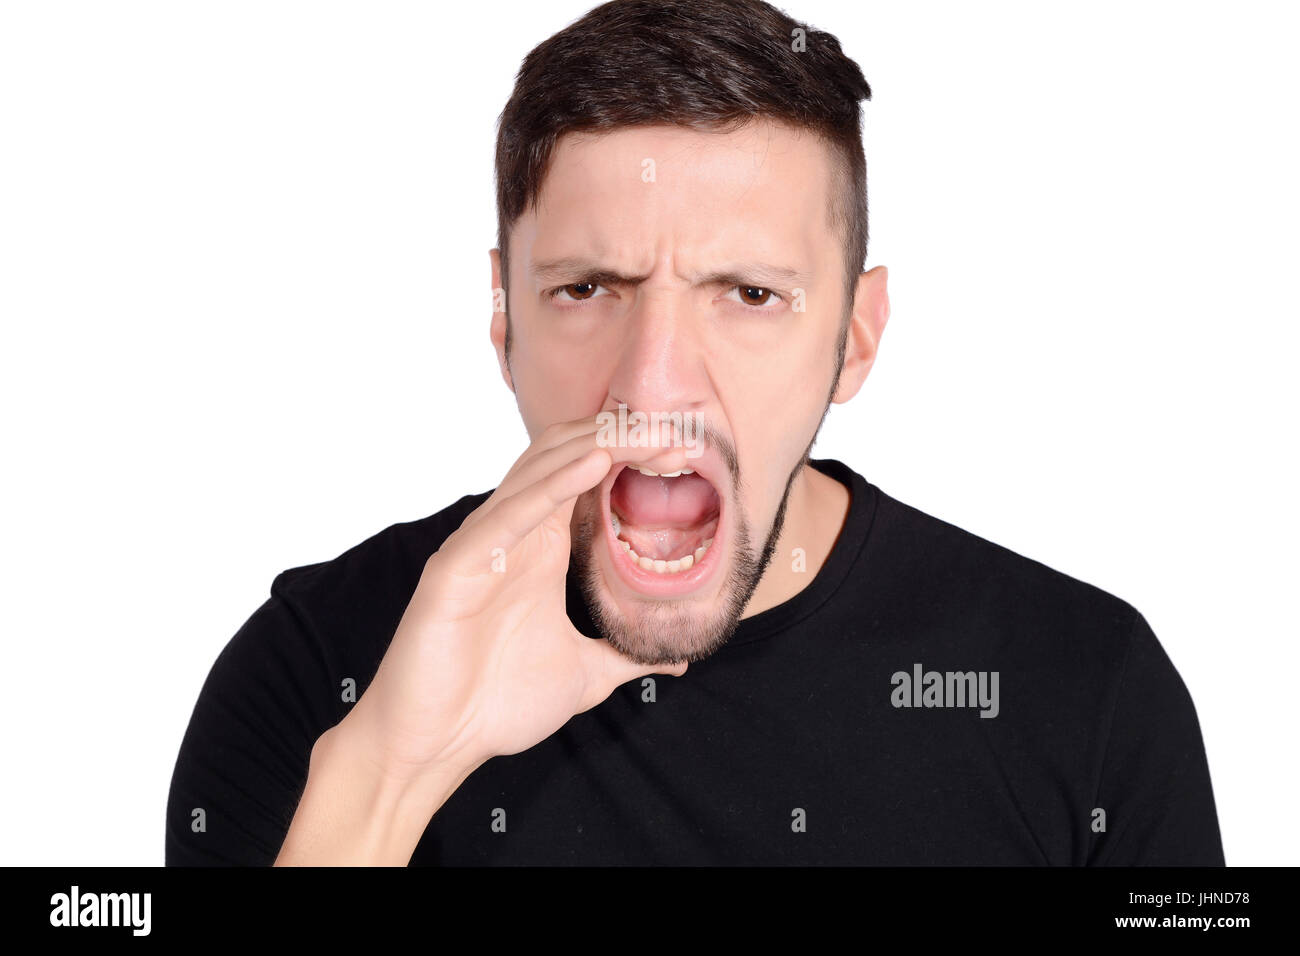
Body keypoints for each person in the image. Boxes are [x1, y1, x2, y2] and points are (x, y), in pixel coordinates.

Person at [165, 0, 1224, 866]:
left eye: (749, 293)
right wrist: (389, 770)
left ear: (854, 338)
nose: (655, 383)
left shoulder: (1084, 690)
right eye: (586, 287)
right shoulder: (317, 676)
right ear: (505, 321)